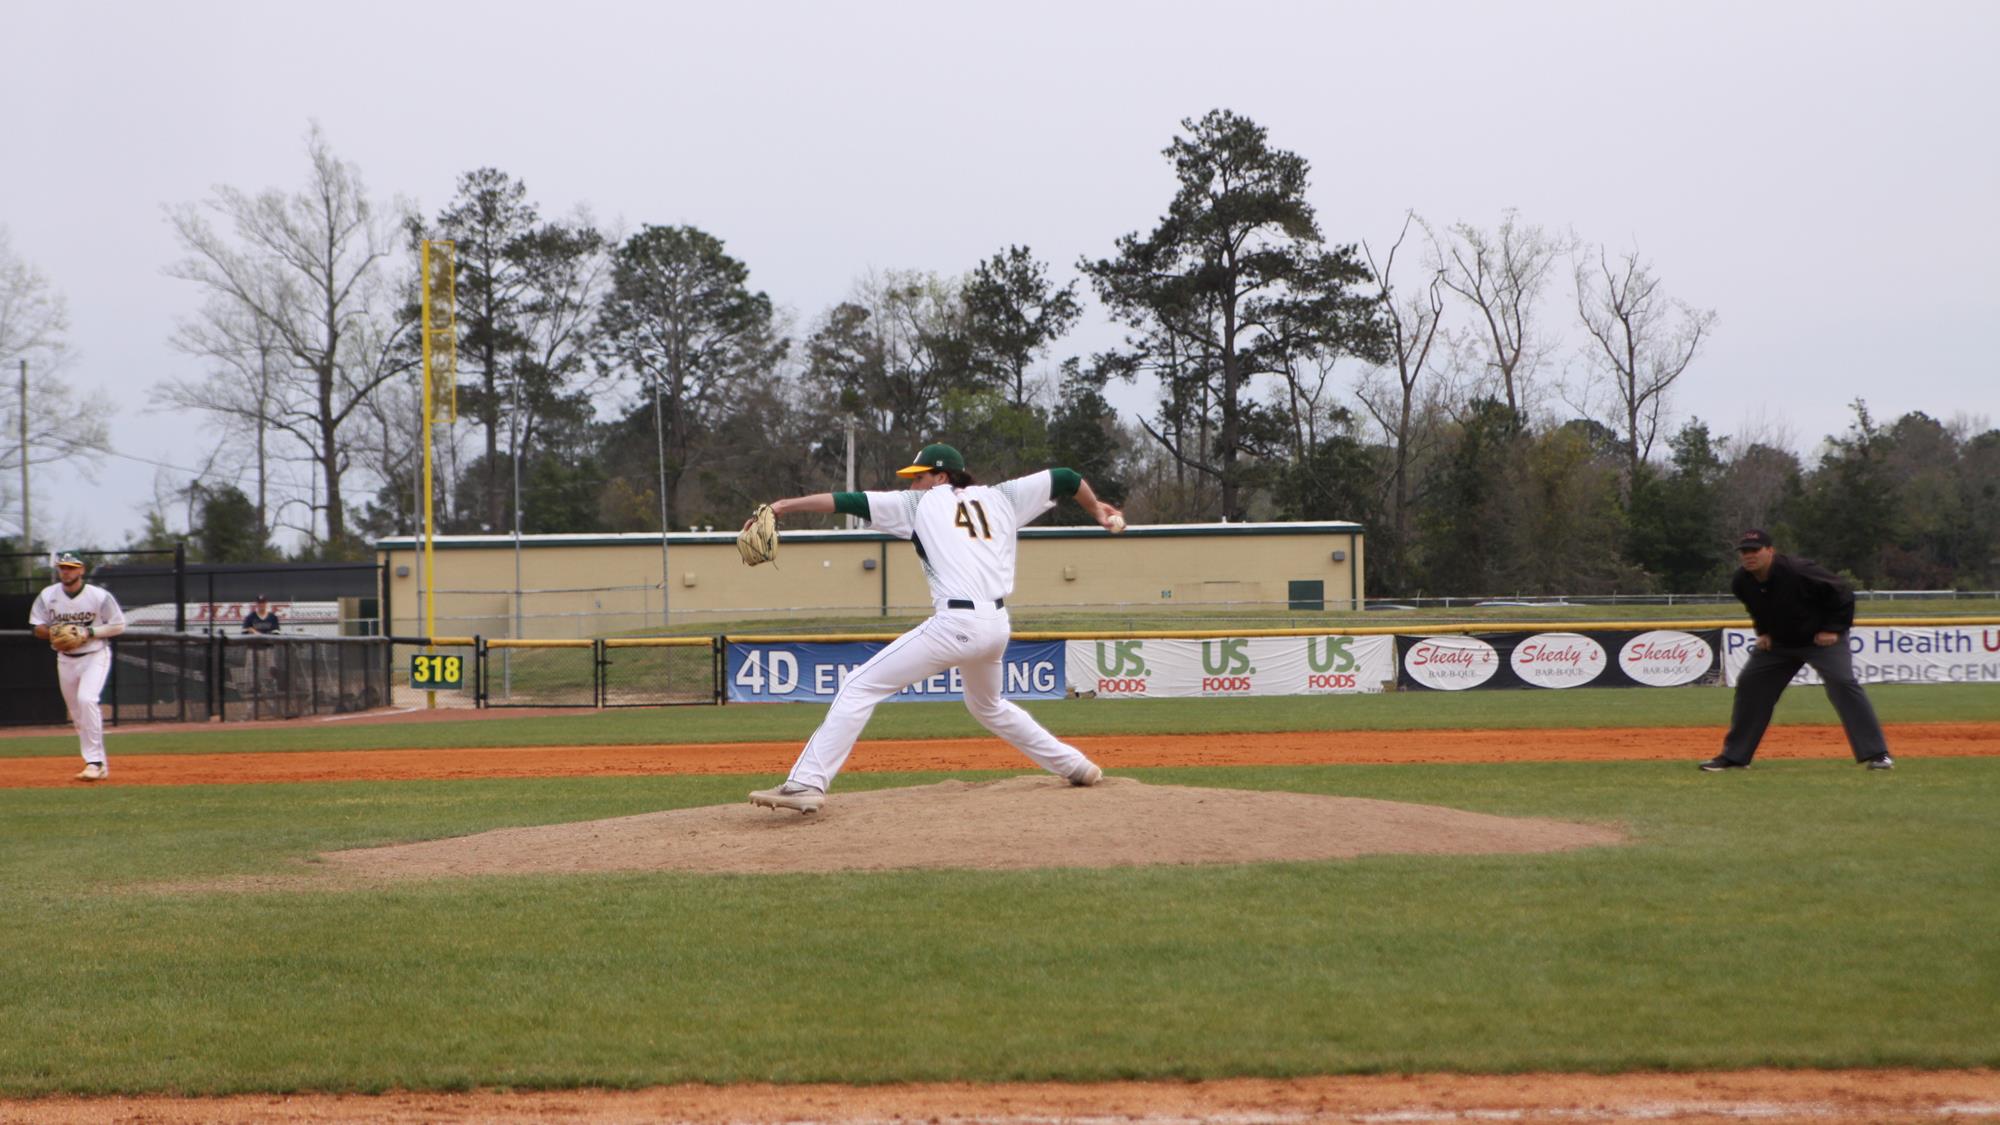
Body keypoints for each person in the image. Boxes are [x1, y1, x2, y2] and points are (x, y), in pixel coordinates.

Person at [747, 443, 1124, 813]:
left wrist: (782, 507)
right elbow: (1067, 477)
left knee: (858, 685)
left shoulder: (920, 503)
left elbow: (845, 501)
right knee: (987, 705)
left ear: (941, 476)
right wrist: (1098, 512)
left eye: (919, 476)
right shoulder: (1002, 497)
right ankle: (1075, 766)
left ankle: (806, 783)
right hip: (996, 625)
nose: (912, 485)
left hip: (956, 624)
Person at [1701, 529, 1893, 772]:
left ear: (1770, 551)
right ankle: (1735, 757)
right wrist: (1764, 632)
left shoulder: (1798, 570)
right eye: (1744, 552)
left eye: (1755, 550)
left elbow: (1842, 592)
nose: (1749, 556)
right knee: (1751, 684)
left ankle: (1878, 754)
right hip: (1781, 644)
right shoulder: (1742, 581)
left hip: (1820, 639)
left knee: (1842, 683)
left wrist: (1832, 629)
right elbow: (1758, 607)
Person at [28, 551, 128, 782]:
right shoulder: (48, 595)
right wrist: (54, 632)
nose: (67, 571)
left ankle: (94, 762)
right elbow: (37, 627)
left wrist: (89, 631)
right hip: (65, 659)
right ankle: (98, 764)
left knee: (87, 700)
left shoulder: (98, 596)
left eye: (72, 567)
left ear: (81, 570)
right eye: (63, 567)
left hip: (95, 655)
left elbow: (119, 625)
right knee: (77, 714)